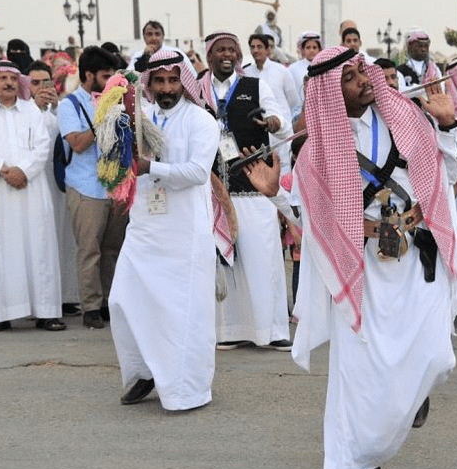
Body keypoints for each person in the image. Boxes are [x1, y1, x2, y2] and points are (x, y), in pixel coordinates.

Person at [242, 46, 457, 469]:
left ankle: (417, 392)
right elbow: (313, 222)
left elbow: (447, 170)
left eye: (363, 71)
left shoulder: (405, 118)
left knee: (434, 356)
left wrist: (447, 125)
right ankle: (366, 465)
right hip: (361, 265)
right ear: (330, 91)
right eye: (350, 77)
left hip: (415, 256)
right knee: (363, 375)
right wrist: (275, 195)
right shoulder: (316, 150)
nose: (365, 80)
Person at [107, 49, 219, 409]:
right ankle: (144, 372)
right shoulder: (140, 117)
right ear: (150, 84)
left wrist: (151, 168)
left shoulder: (202, 121)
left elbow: (198, 173)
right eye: (160, 81)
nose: (167, 87)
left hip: (184, 232)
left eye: (174, 80)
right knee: (123, 299)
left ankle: (186, 389)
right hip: (144, 227)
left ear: (184, 82)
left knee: (180, 313)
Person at [196, 30, 293, 351]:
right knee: (226, 260)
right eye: (220, 50)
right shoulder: (196, 88)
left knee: (262, 256)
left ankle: (273, 328)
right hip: (213, 188)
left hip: (253, 187)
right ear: (209, 56)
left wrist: (274, 124)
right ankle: (230, 329)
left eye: (232, 50)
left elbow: (280, 118)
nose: (227, 55)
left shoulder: (254, 85)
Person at [0, 60, 64, 333]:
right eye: (2, 78)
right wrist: (3, 170)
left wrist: (24, 171)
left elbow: (42, 146)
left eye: (12, 78)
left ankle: (47, 312)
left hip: (32, 190)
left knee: (39, 247)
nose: (8, 83)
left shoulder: (32, 112)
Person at [58, 46, 128, 329]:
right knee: (90, 250)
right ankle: (90, 306)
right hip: (86, 187)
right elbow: (76, 143)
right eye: (105, 75)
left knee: (113, 249)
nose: (110, 80)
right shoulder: (70, 104)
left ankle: (109, 301)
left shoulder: (118, 100)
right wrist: (103, 117)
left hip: (115, 187)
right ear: (89, 75)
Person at [26, 60, 80, 316]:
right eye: (34, 83)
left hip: (61, 183)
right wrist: (36, 108)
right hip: (34, 184)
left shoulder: (64, 108)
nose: (40, 88)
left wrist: (56, 107)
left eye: (45, 82)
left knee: (65, 238)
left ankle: (68, 296)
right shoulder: (22, 112)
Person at [288, 31, 322, 97]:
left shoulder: (324, 67)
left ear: (319, 50)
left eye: (314, 47)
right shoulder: (293, 69)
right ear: (303, 50)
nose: (311, 50)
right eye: (308, 47)